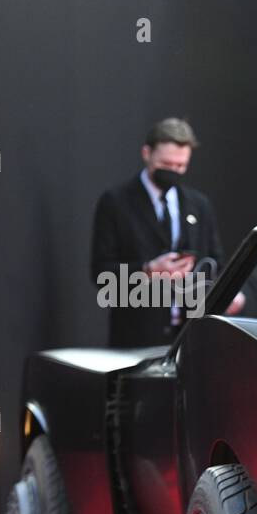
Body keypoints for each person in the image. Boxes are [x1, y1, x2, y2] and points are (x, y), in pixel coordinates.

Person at [90, 118, 234, 347]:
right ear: (147, 153)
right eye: (167, 165)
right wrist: (148, 270)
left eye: (180, 166)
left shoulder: (199, 205)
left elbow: (215, 263)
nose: (174, 172)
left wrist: (220, 291)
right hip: (137, 337)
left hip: (190, 335)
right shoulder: (116, 203)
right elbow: (101, 273)